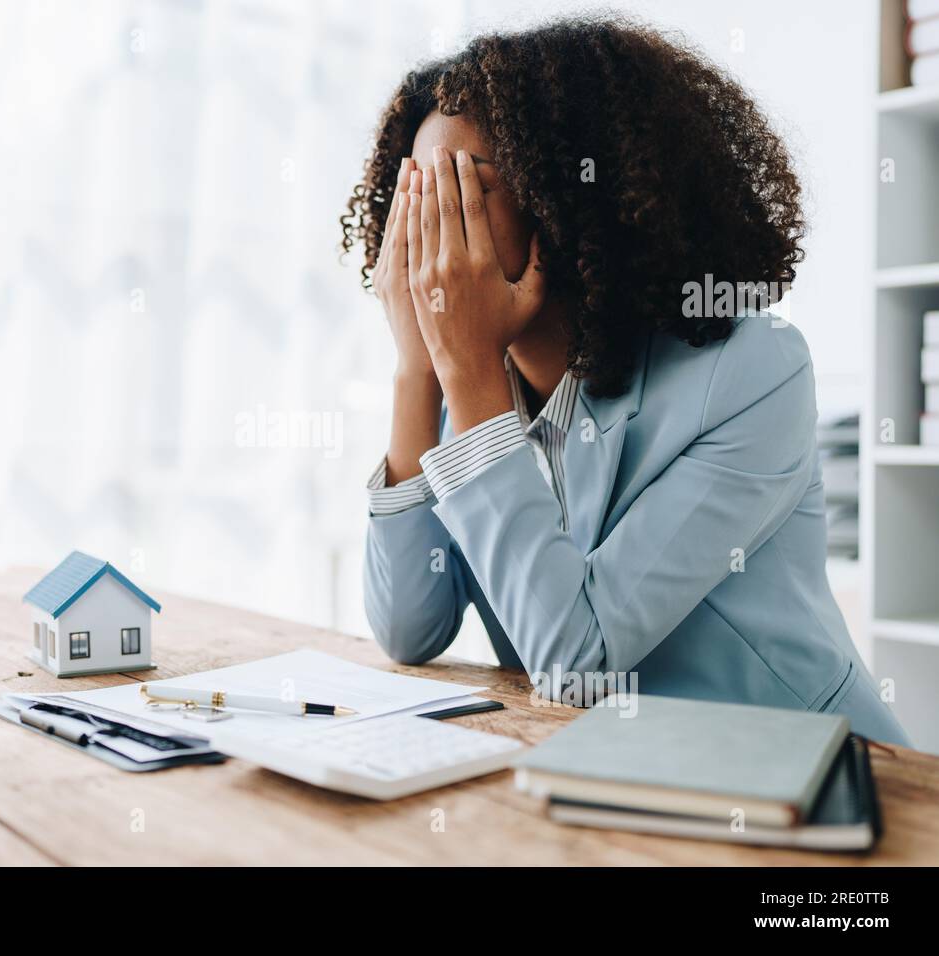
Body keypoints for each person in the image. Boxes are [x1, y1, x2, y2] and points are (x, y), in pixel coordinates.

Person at [341, 17, 910, 745]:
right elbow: (408, 627)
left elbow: (576, 663)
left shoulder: (755, 372)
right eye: (417, 199)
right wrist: (416, 368)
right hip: (615, 770)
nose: (430, 240)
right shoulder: (475, 379)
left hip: (813, 774)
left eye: (462, 196)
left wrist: (465, 372)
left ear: (571, 203)